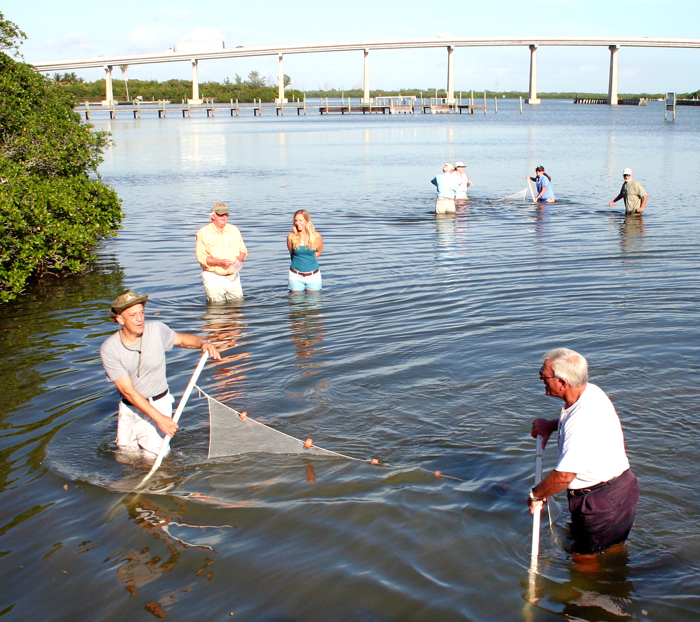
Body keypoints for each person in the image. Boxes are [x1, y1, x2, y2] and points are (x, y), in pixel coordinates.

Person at [527, 348, 639, 557]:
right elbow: (579, 429)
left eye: (544, 374)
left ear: (562, 383)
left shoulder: (582, 420)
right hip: (617, 492)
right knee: (608, 550)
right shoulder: (589, 392)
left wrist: (536, 494)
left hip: (601, 501)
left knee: (584, 562)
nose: (541, 377)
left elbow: (563, 477)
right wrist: (552, 425)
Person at [100, 290, 221, 458]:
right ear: (120, 319)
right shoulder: (110, 349)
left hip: (159, 402)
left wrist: (203, 342)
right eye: (133, 315)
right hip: (130, 407)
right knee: (125, 455)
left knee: (154, 458)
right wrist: (160, 419)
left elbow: (182, 340)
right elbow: (128, 391)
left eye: (142, 312)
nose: (140, 319)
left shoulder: (156, 330)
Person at [195, 202, 248, 302]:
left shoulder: (234, 230)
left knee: (237, 309)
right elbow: (201, 258)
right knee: (216, 311)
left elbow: (243, 250)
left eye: (226, 214)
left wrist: (239, 260)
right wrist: (220, 262)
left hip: (233, 275)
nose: (224, 217)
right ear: (213, 216)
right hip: (213, 277)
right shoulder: (203, 233)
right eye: (220, 214)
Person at [287, 209, 323, 291]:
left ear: (307, 221)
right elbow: (292, 255)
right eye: (296, 220)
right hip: (295, 276)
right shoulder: (291, 237)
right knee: (296, 302)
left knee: (314, 302)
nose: (297, 223)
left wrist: (308, 259)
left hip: (313, 276)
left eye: (300, 220)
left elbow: (318, 252)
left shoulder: (316, 236)